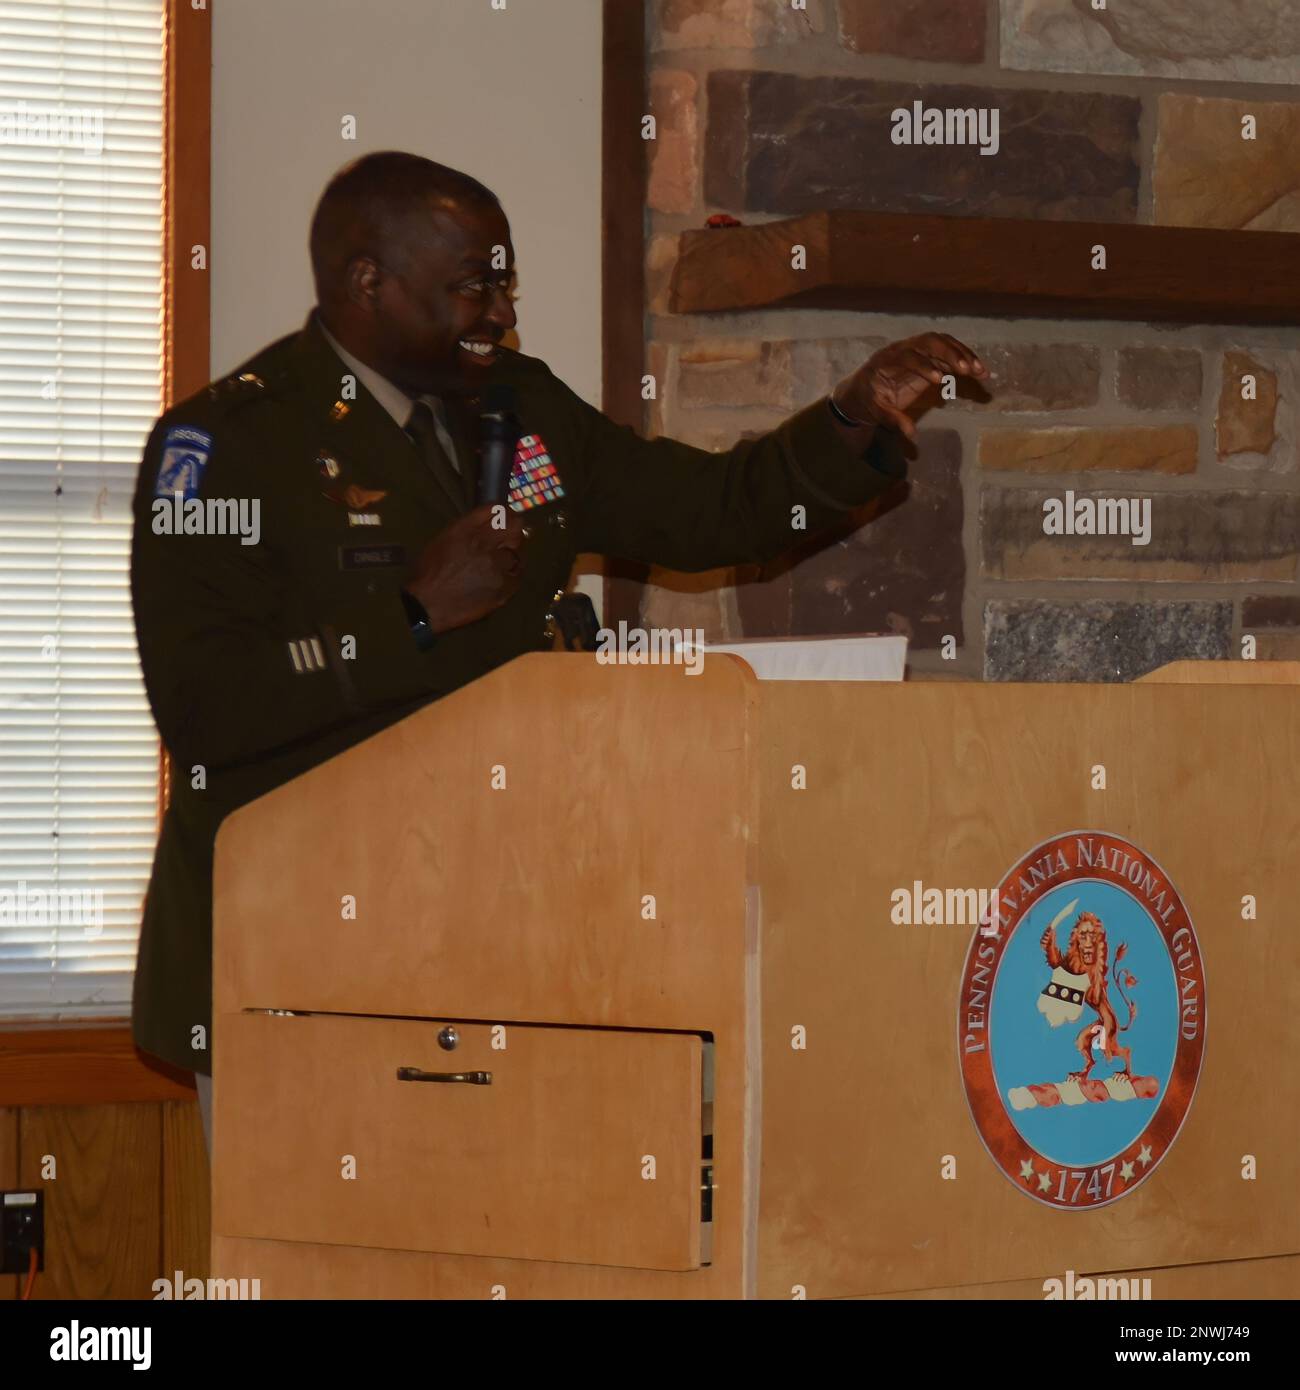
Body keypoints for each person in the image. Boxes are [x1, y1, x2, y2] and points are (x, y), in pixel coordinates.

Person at [129, 151, 988, 1149]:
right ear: (368, 284)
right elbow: (204, 707)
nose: (500, 311)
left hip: (502, 949)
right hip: (292, 969)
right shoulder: (228, 443)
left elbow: (713, 515)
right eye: (472, 287)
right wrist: (412, 616)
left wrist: (846, 422)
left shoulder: (523, 410)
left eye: (508, 284)